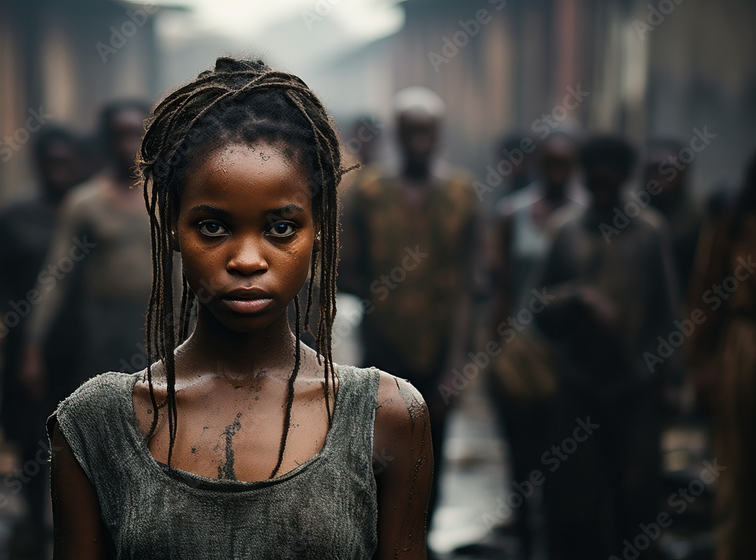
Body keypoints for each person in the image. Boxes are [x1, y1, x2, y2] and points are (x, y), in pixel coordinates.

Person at [48, 57, 434, 559]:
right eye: (213, 226)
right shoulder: (95, 424)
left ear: (319, 228)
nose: (247, 260)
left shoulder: (387, 416)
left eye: (280, 228)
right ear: (170, 225)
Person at [534, 136, 680, 560]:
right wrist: (578, 297)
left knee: (636, 505)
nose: (600, 189)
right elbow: (539, 306)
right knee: (571, 507)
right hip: (578, 388)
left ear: (624, 179)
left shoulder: (650, 233)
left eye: (609, 181)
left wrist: (670, 379)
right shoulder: (565, 229)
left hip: (636, 389)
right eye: (592, 181)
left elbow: (668, 313)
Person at [338, 85, 478, 529]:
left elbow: (470, 285)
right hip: (383, 349)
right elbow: (344, 266)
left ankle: (424, 541)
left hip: (441, 349)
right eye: (410, 131)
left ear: (439, 134)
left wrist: (457, 362)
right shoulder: (370, 190)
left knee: (432, 448)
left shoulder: (460, 193)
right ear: (397, 133)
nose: (419, 140)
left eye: (427, 131)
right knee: (381, 451)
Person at [486, 130, 587, 555]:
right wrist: (495, 348)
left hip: (570, 356)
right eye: (550, 163)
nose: (557, 172)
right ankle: (527, 541)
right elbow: (502, 287)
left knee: (565, 462)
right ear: (539, 164)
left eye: (565, 163)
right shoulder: (515, 214)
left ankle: (560, 541)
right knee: (523, 457)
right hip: (522, 351)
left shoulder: (589, 216)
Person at [0, 126, 83, 558]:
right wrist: (19, 328)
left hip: (78, 346)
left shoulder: (86, 213)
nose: (57, 170)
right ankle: (34, 520)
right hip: (24, 346)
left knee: (79, 435)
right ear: (38, 165)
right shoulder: (15, 217)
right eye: (50, 162)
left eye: (65, 162)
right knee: (29, 436)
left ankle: (77, 524)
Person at [22, 100, 153, 395]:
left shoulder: (167, 198)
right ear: (107, 141)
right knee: (107, 411)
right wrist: (34, 343)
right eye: (119, 135)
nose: (127, 145)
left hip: (156, 324)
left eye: (135, 134)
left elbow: (184, 271)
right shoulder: (85, 202)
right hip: (102, 326)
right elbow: (56, 275)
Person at [684, 151, 756, 560]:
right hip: (743, 350)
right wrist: (700, 361)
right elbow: (705, 293)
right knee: (736, 468)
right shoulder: (733, 218)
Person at [642, 138, 703, 302]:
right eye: (654, 170)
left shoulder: (698, 218)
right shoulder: (631, 216)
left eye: (669, 171)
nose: (660, 179)